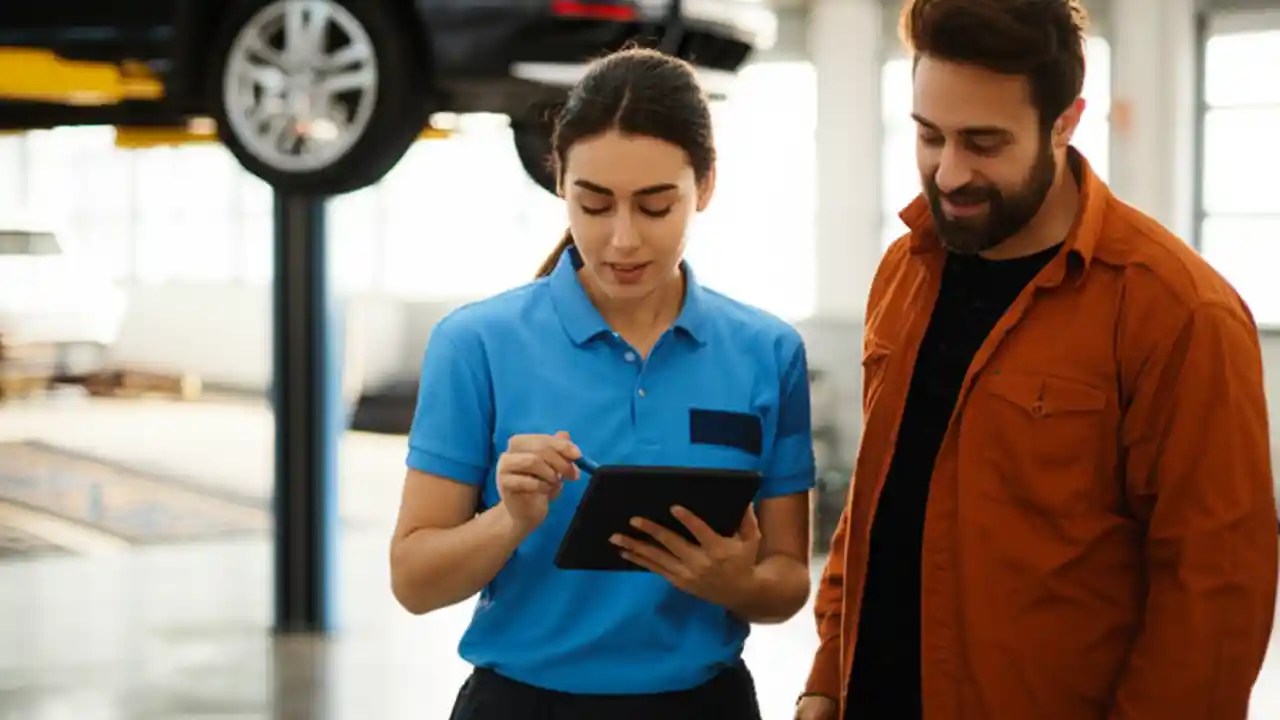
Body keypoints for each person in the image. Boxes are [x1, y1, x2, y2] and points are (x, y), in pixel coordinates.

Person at [796, 1, 1278, 719]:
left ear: (1066, 123)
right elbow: (878, 501)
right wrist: (826, 680)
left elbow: (1213, 600)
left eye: (984, 142)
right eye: (930, 136)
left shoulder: (1177, 313)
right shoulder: (906, 269)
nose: (950, 172)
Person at [388, 47, 816, 720]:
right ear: (560, 183)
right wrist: (510, 520)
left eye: (654, 207)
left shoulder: (767, 352)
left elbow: (788, 580)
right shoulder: (476, 345)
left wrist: (734, 582)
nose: (621, 240)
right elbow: (413, 581)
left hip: (703, 706)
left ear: (704, 187)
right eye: (594, 205)